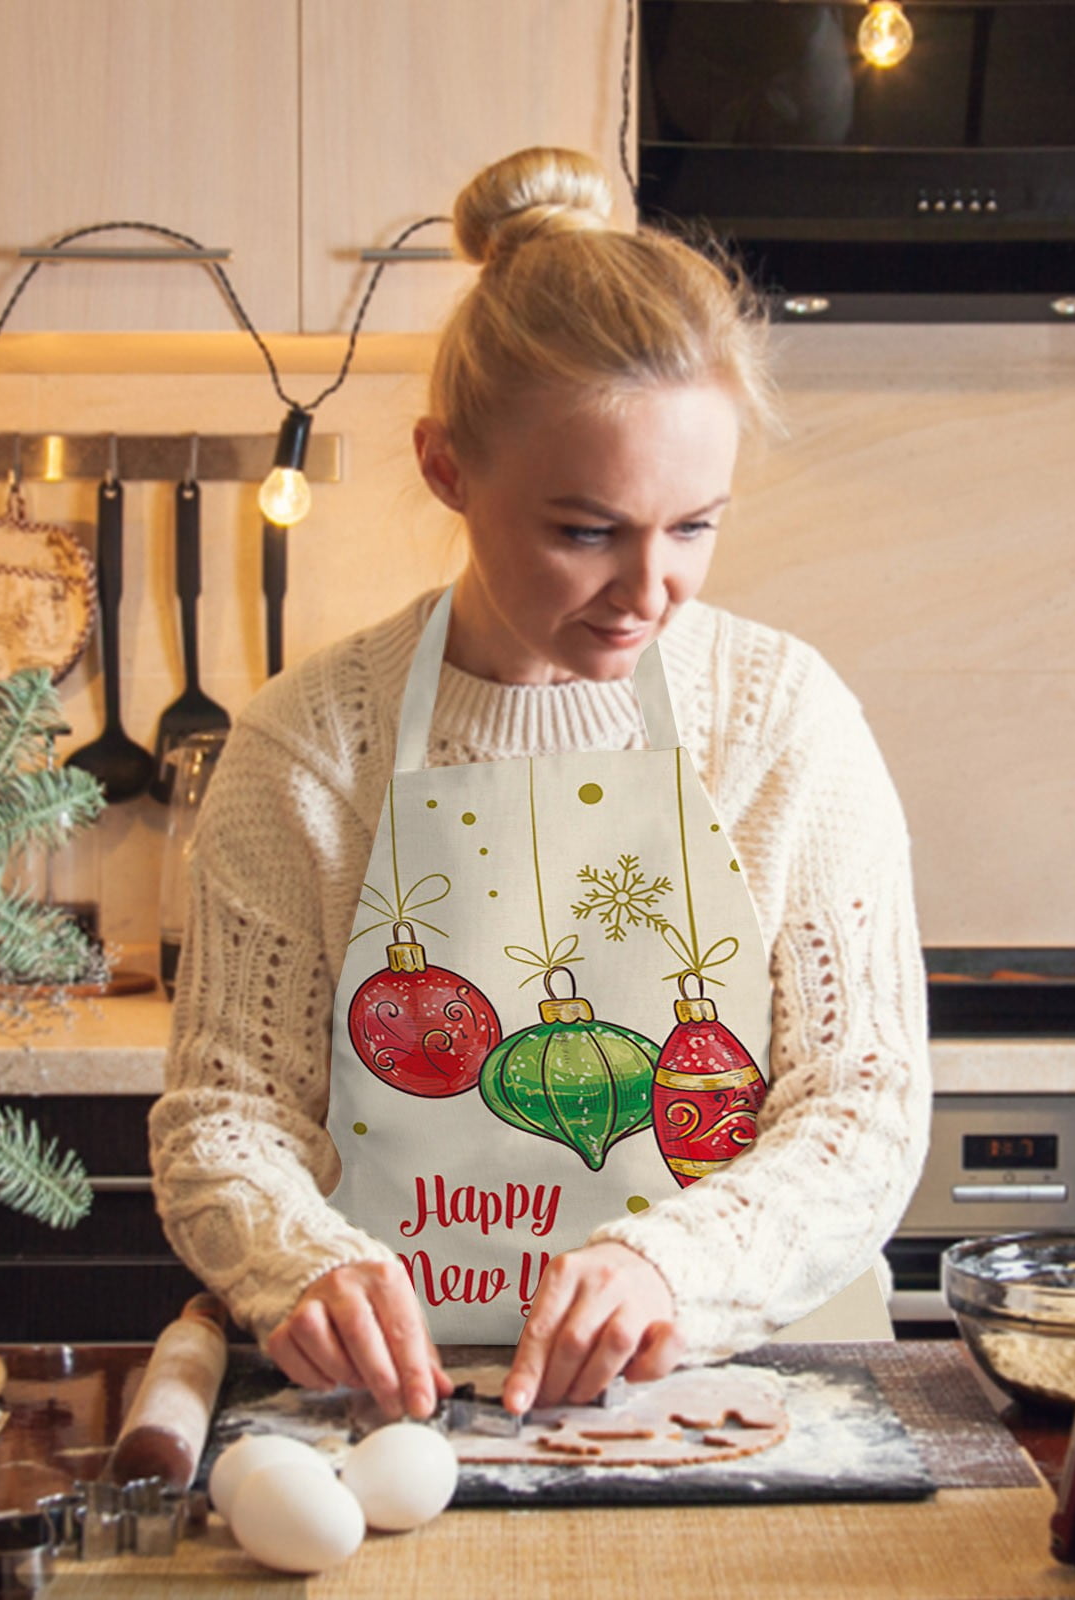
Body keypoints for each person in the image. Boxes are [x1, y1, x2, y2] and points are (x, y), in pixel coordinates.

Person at [149, 147, 930, 1425]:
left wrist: (666, 1262)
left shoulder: (781, 718)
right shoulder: (306, 746)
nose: (648, 590)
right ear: (448, 468)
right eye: (585, 531)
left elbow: (863, 1104)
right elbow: (227, 1113)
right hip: (406, 1404)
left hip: (760, 1393)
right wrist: (302, 1264)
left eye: (693, 526)